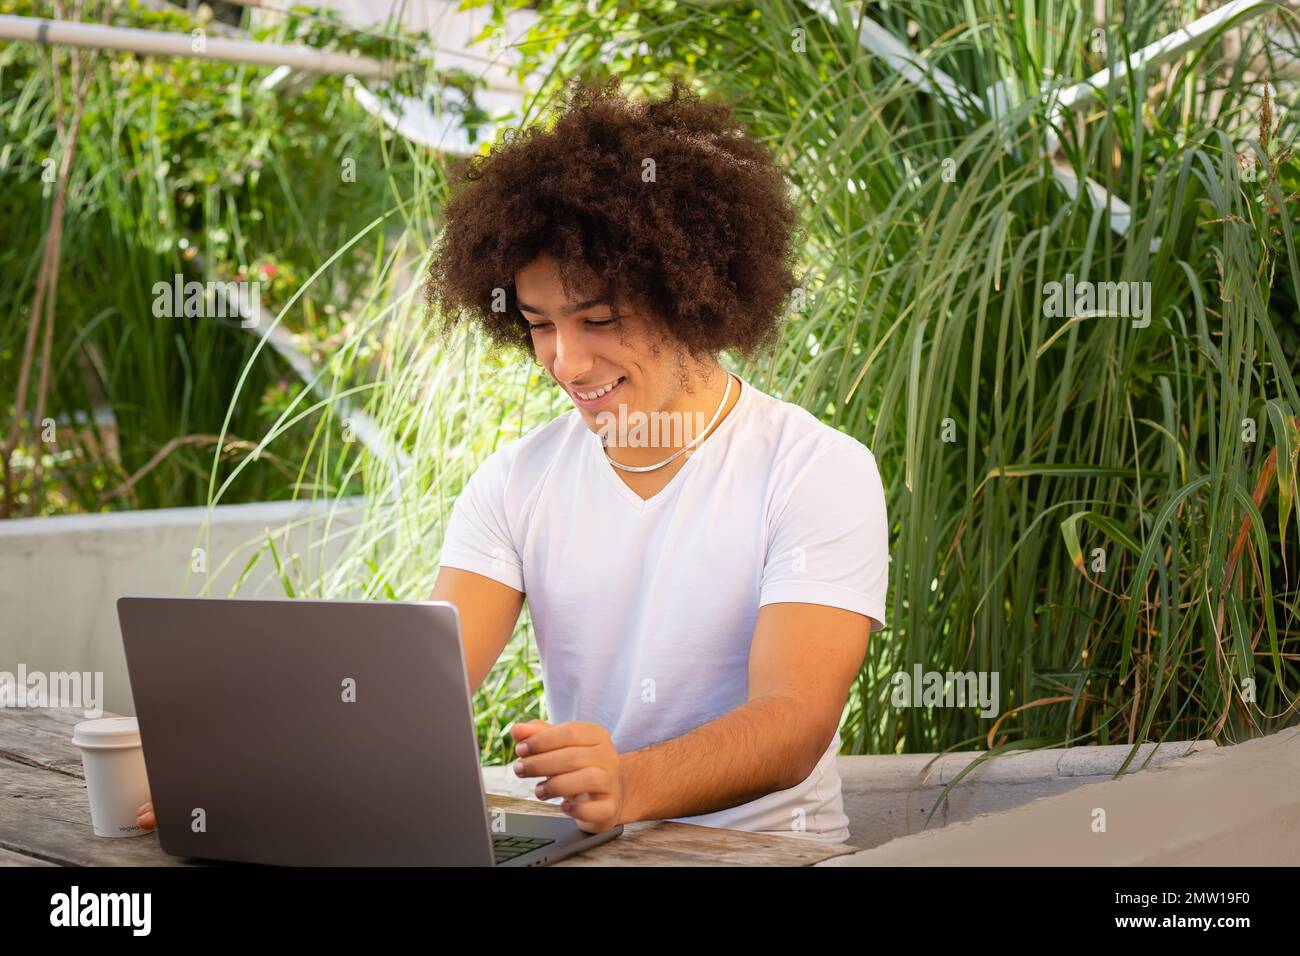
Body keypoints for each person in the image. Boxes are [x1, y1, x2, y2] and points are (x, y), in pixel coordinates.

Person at [139, 73, 888, 845]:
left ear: (692, 297)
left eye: (599, 318)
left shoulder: (815, 471)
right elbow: (415, 690)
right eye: (539, 325)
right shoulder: (515, 482)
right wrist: (257, 779)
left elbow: (794, 722)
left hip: (767, 857)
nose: (566, 361)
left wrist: (632, 781)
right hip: (596, 854)